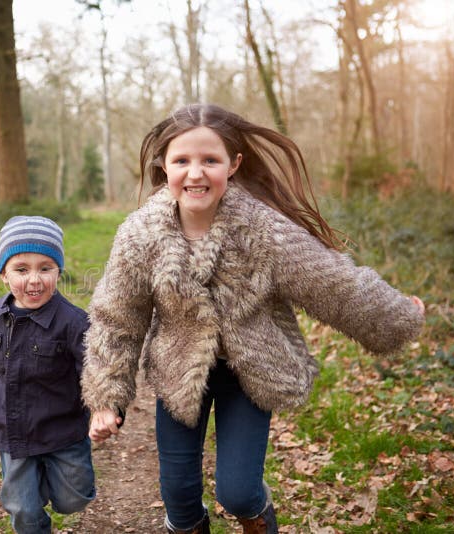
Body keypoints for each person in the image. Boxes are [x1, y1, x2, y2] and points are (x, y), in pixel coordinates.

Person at [81, 104, 425, 534]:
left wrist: (397, 315)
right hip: (177, 369)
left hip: (251, 371)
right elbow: (117, 317)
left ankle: (259, 518)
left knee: (238, 492)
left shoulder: (263, 230)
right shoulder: (140, 235)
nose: (196, 173)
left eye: (210, 160)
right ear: (163, 165)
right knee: (179, 497)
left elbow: (333, 283)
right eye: (182, 161)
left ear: (233, 164)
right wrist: (106, 398)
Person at [0, 215, 95, 534]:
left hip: (63, 430)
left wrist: (105, 409)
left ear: (59, 271)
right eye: (21, 269)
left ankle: (45, 482)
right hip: (13, 432)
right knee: (24, 512)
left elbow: (95, 371)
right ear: (3, 274)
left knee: (74, 499)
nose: (34, 280)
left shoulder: (74, 322)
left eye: (45, 268)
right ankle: (30, 504)